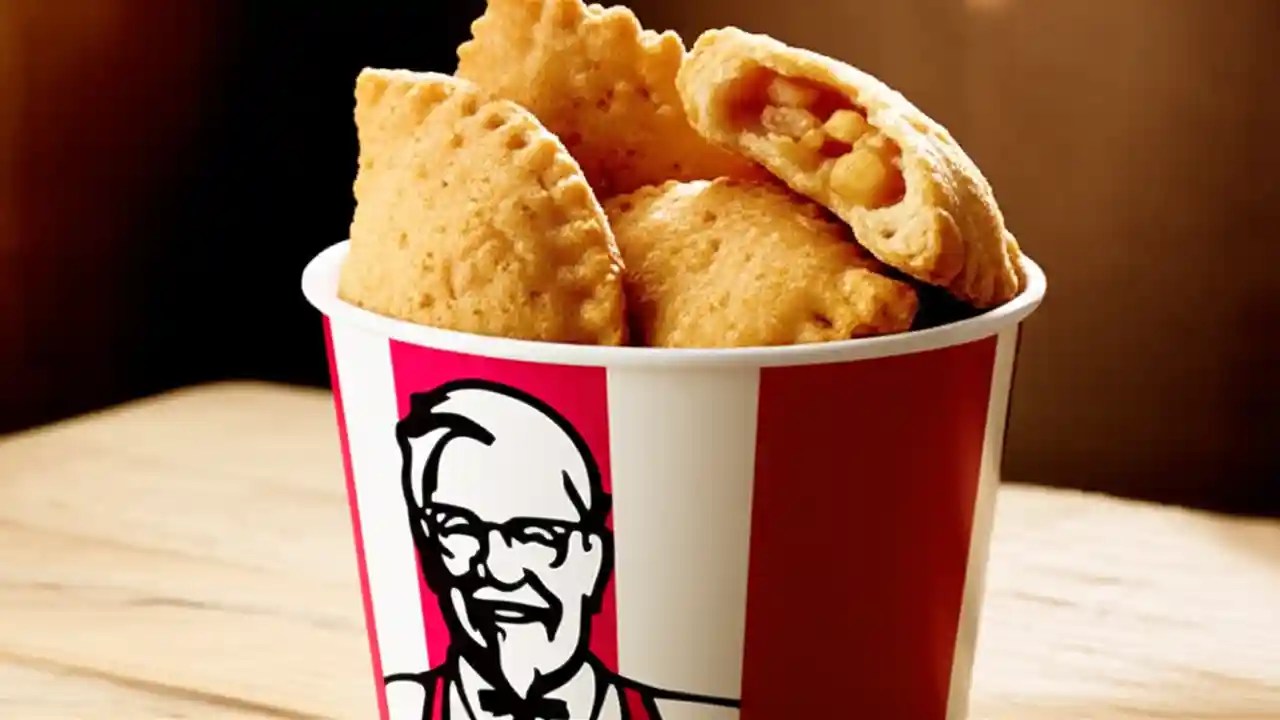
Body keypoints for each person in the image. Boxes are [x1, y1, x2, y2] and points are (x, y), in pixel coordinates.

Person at [385, 380, 733, 720]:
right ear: (430, 553)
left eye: (535, 534)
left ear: (591, 559)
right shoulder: (403, 703)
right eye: (461, 529)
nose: (500, 568)